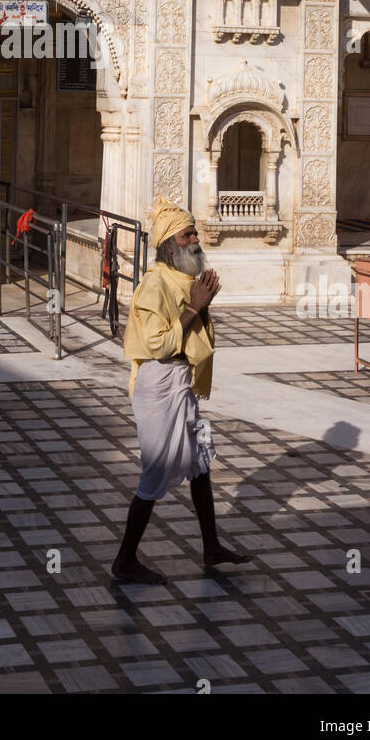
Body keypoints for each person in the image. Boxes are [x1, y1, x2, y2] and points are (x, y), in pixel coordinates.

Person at [111, 195, 250, 585]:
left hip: (180, 381)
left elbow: (190, 329)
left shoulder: (182, 279)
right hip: (159, 385)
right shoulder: (155, 284)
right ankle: (124, 560)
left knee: (198, 465)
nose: (196, 241)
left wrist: (201, 304)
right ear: (171, 243)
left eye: (195, 234)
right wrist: (196, 306)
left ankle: (211, 547)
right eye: (189, 235)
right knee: (154, 472)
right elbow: (157, 344)